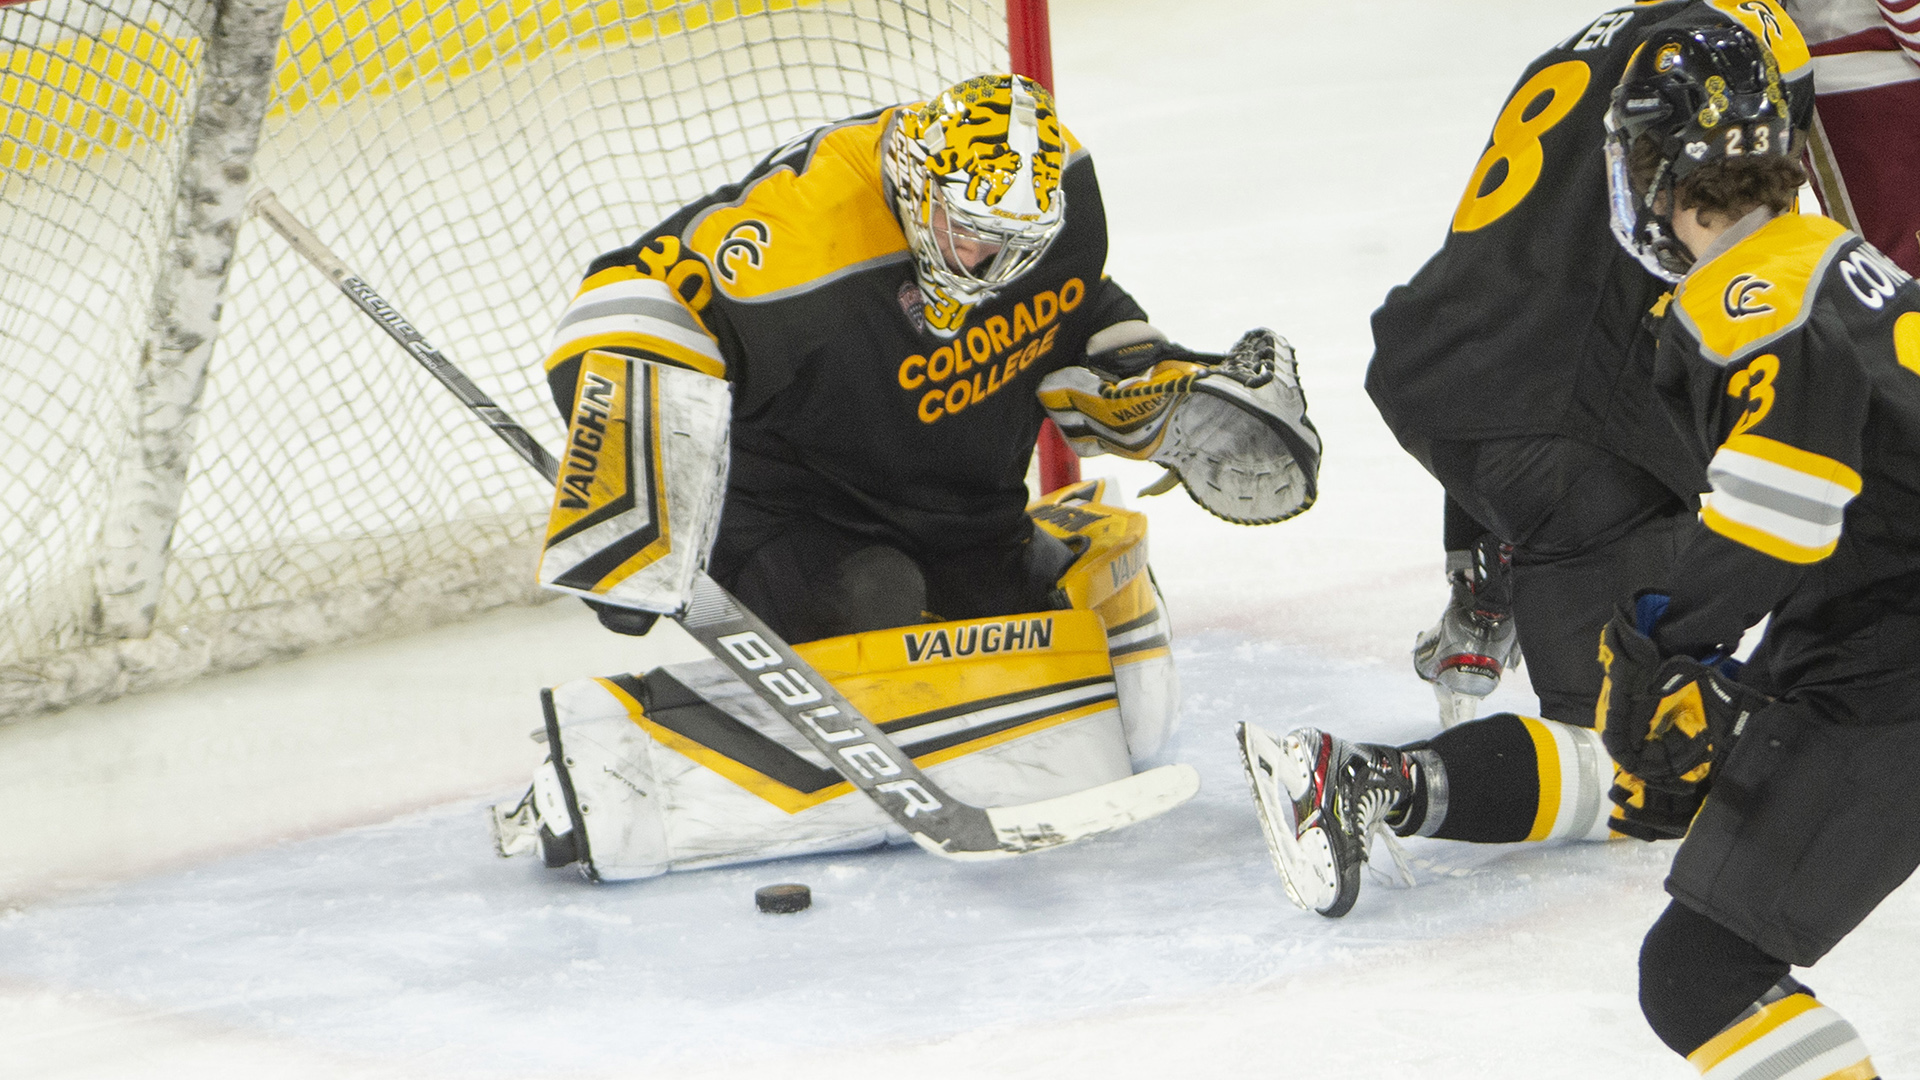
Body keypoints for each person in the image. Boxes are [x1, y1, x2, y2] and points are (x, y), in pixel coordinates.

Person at [1246, 22, 1916, 1077]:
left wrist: (1659, 638)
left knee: (1696, 961)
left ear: (1649, 167)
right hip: (1859, 624)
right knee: (1673, 764)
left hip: (1885, 660)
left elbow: (1785, 513)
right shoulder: (1848, 261)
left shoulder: (1740, 300)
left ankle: (1407, 765)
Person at [488, 74, 1321, 879]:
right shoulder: (797, 233)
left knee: (1104, 688)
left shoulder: (1057, 195)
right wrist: (629, 488)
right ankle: (638, 767)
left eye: (1013, 244)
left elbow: (1077, 302)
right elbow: (623, 304)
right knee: (875, 598)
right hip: (796, 512)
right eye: (967, 229)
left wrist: (1141, 372)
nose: (987, 261)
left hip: (967, 513)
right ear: (917, 184)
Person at [1366, 0, 1811, 728]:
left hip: (1430, 368)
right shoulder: (1744, 44)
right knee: (1628, 741)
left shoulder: (1577, 43)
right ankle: (1372, 777)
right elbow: (1762, 244)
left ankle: (1484, 580)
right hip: (1568, 455)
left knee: (1538, 332)